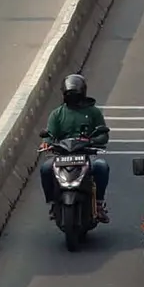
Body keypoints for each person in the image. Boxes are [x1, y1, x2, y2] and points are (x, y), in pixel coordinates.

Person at [40, 73, 112, 223]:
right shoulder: (57, 114)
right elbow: (49, 134)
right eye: (69, 95)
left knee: (101, 167)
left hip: (85, 154)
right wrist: (47, 142)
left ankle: (98, 204)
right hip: (63, 156)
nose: (72, 98)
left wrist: (93, 140)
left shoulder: (93, 112)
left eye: (75, 94)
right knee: (46, 169)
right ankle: (52, 202)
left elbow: (103, 135)